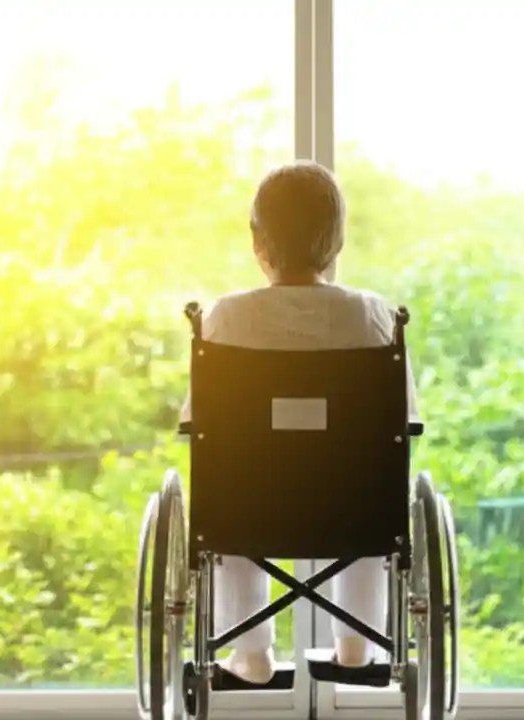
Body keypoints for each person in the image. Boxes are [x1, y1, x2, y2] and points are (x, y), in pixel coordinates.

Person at [180, 161, 418, 684]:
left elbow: (199, 427)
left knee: (231, 472)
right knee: (368, 468)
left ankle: (251, 656)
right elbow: (402, 427)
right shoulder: (374, 317)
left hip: (247, 511)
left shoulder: (222, 320)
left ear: (257, 241)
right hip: (355, 511)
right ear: (336, 241)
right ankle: (356, 648)